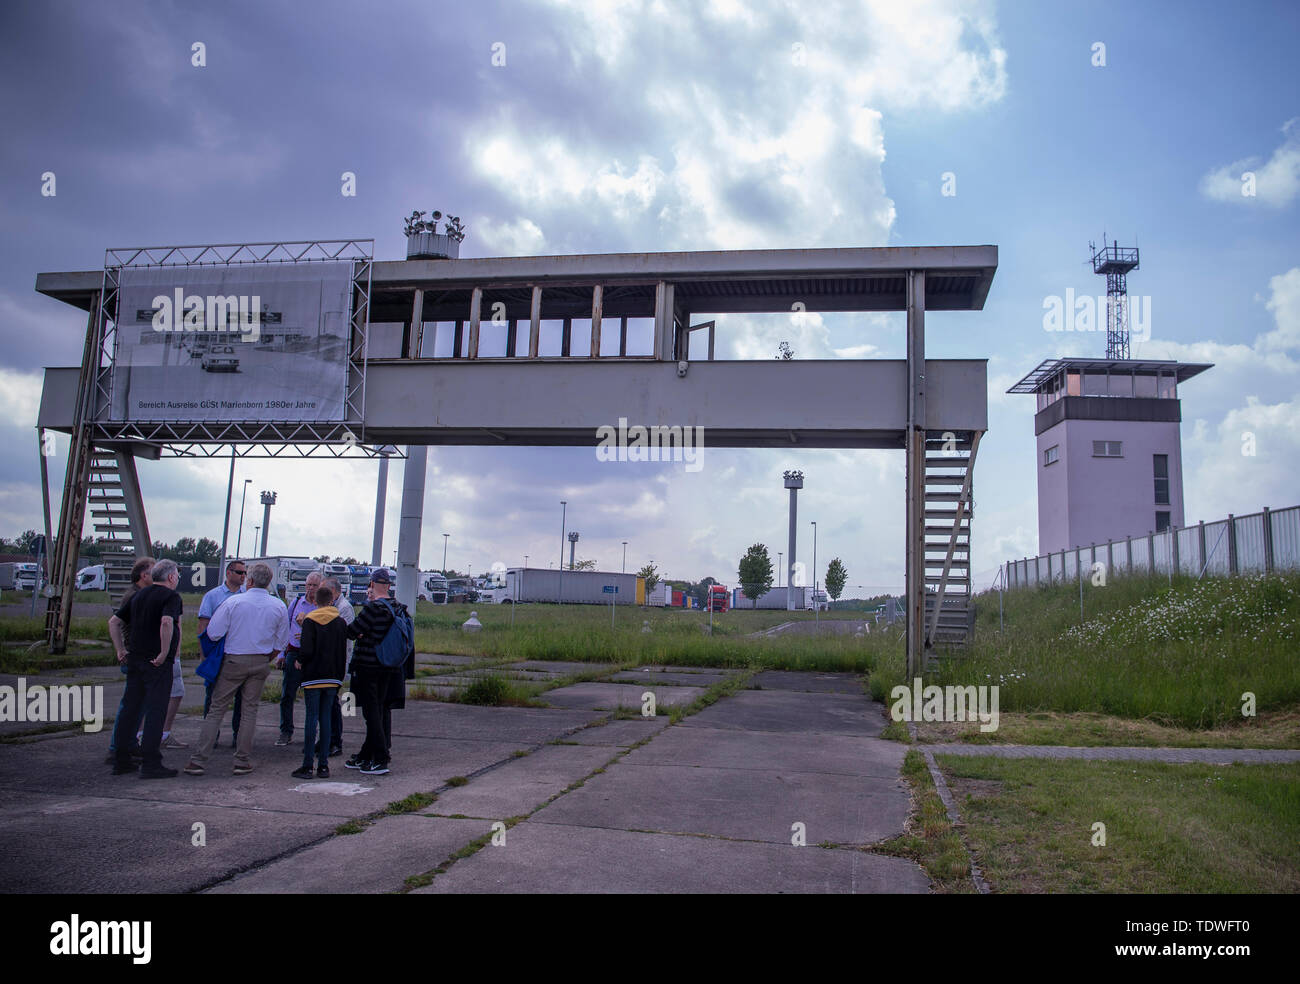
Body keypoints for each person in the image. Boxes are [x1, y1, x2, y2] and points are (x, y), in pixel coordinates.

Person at [184, 562, 289, 776]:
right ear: (268, 582)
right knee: (249, 711)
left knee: (216, 709)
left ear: (249, 580)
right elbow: (281, 641)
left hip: (233, 659)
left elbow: (213, 633)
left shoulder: (234, 602)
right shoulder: (278, 606)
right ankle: (242, 760)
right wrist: (267, 656)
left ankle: (199, 760)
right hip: (260, 661)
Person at [106, 559, 183, 779]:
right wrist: (163, 653)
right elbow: (167, 622)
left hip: (135, 659)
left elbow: (114, 621)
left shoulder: (139, 595)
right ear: (170, 577)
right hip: (156, 663)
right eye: (177, 575)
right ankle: (151, 762)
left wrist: (121, 650)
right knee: (156, 710)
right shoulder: (171, 597)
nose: (177, 579)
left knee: (131, 708)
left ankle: (121, 760)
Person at [344, 569, 408, 775]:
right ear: (388, 586)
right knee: (381, 710)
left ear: (371, 584)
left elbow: (352, 631)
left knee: (371, 712)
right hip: (390, 667)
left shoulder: (373, 609)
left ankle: (380, 757)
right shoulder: (399, 608)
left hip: (368, 666)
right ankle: (367, 753)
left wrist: (362, 633)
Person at [292, 584, 348, 779]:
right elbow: (342, 650)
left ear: (315, 601)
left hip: (313, 676)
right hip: (333, 676)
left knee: (311, 718)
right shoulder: (340, 622)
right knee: (326, 720)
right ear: (332, 600)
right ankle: (324, 765)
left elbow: (306, 649)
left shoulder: (310, 620)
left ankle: (308, 765)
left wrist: (300, 661)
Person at [104, 557, 153, 765]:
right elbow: (114, 623)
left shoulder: (140, 594)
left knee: (139, 705)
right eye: (154, 571)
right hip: (135, 656)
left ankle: (130, 744)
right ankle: (117, 748)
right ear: (144, 575)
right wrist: (120, 649)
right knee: (130, 705)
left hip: (140, 656)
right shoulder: (134, 596)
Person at [198, 560, 246, 748]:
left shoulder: (246, 595)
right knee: (213, 696)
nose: (243, 576)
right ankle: (211, 736)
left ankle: (238, 735)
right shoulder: (213, 596)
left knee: (241, 698)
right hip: (218, 652)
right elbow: (203, 623)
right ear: (228, 573)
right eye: (239, 572)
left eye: (245, 573)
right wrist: (204, 653)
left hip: (239, 651)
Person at [277, 570, 322, 746]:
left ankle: (313, 733)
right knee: (287, 694)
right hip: (294, 652)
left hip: (313, 656)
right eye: (308, 585)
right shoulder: (296, 603)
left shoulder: (322, 607)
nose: (310, 589)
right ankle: (285, 731)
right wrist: (281, 653)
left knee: (314, 696)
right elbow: (285, 627)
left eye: (314, 585)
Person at [319, 576, 353, 757]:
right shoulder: (331, 606)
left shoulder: (344, 608)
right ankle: (325, 738)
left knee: (332, 702)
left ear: (334, 591)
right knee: (325, 701)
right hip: (327, 660)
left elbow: (339, 634)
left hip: (336, 661)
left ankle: (335, 740)